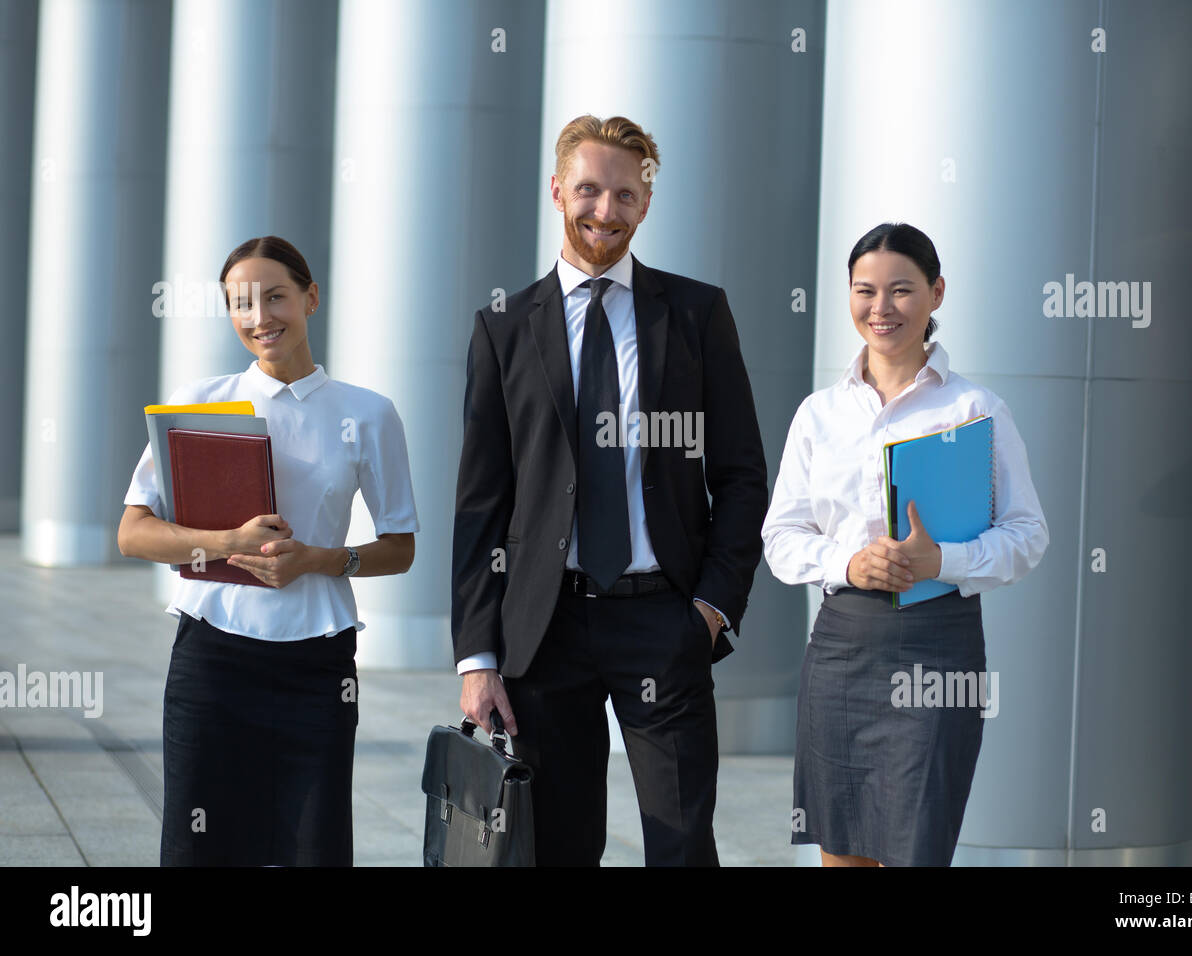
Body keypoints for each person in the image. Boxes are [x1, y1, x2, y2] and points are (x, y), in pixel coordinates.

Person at [451, 114, 768, 866]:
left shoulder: (695, 314)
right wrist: (477, 657)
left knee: (683, 843)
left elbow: (741, 473)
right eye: (589, 189)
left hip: (665, 618)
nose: (605, 209)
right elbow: (480, 503)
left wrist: (711, 609)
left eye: (625, 194)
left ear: (646, 206)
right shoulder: (502, 327)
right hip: (543, 627)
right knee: (559, 847)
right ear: (557, 190)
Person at [117, 235, 419, 866]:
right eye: (241, 304)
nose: (260, 318)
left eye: (276, 296)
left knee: (316, 847)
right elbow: (133, 531)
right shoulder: (199, 405)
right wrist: (228, 543)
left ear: (311, 297)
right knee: (197, 849)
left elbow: (398, 548)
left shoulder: (367, 414)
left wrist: (316, 559)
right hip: (211, 659)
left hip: (318, 664)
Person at [761, 222, 1049, 867]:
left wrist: (941, 560)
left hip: (937, 648)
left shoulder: (975, 409)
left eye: (901, 290)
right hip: (840, 650)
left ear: (936, 293)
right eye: (865, 291)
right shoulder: (818, 413)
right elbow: (780, 537)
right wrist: (847, 561)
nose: (881, 308)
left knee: (919, 848)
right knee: (842, 852)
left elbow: (1029, 536)